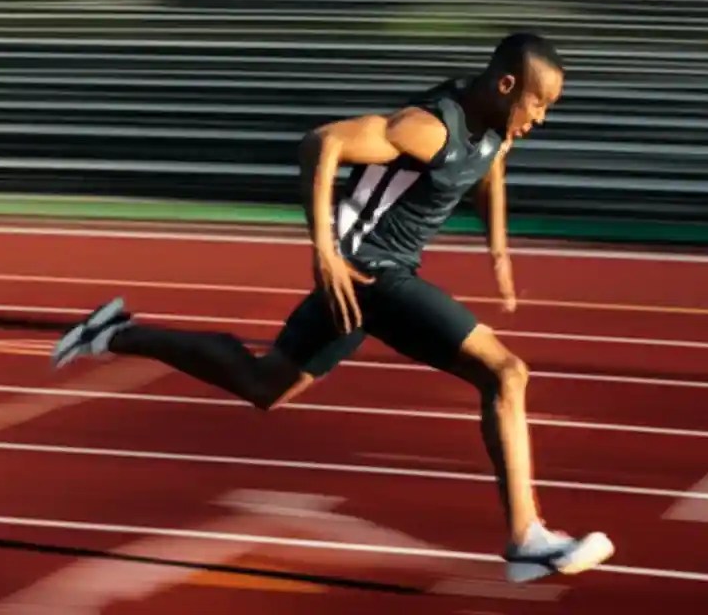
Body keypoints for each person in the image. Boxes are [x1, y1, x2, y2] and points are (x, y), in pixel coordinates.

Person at [50, 32, 613, 583]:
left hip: (375, 277)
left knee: (263, 383)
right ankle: (525, 539)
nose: (541, 118)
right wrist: (323, 248)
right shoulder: (431, 128)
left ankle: (115, 333)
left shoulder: (497, 127)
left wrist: (498, 250)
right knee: (505, 373)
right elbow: (322, 142)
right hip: (369, 273)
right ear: (506, 84)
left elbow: (489, 166)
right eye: (539, 104)